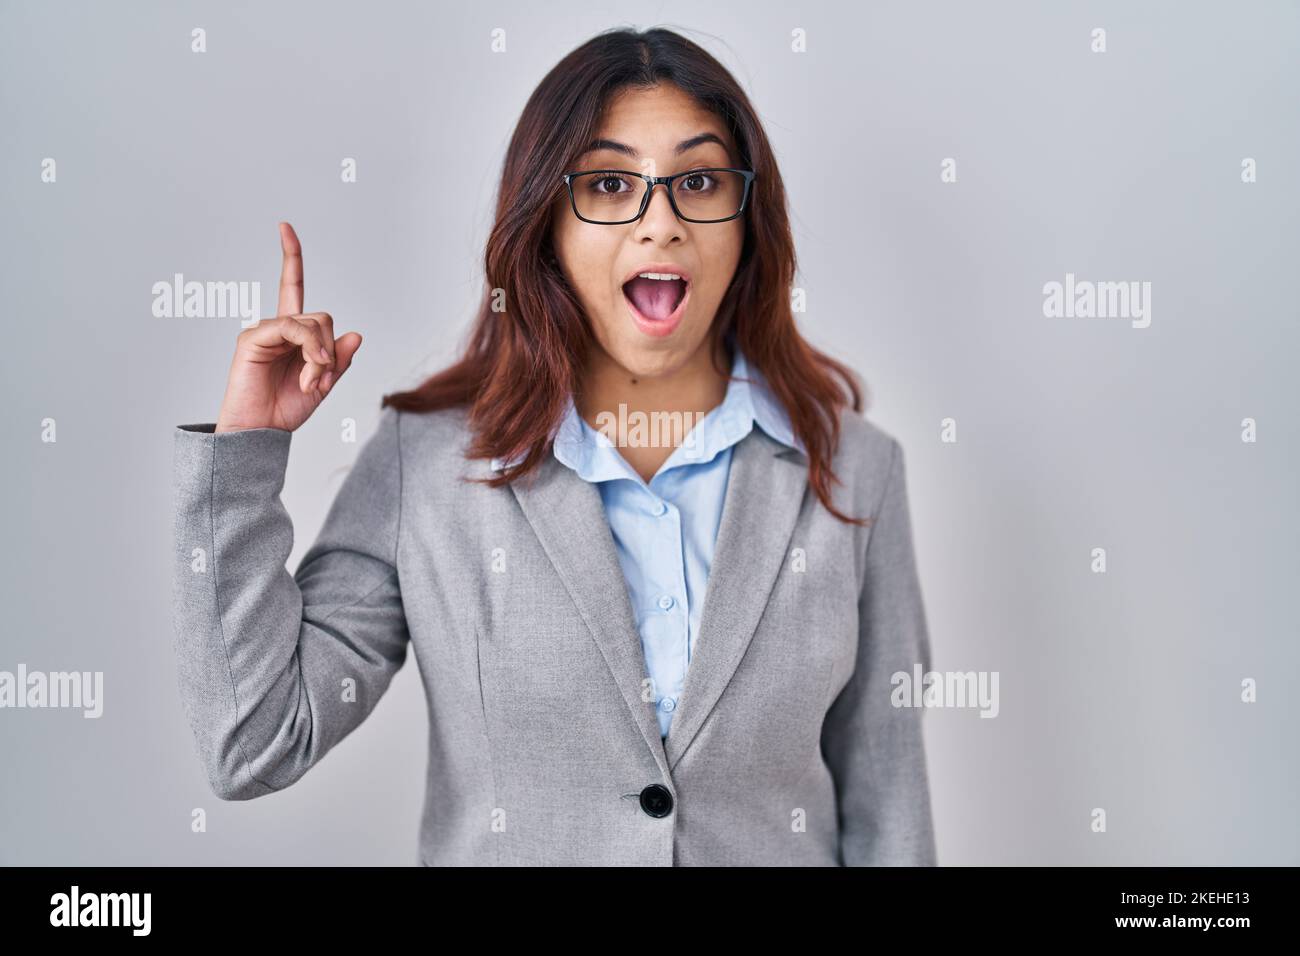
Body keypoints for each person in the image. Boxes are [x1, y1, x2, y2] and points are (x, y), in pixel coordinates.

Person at [171, 26, 937, 866]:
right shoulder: (423, 464)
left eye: (700, 180)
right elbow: (254, 743)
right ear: (547, 229)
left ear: (748, 221)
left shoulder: (858, 469)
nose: (661, 224)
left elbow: (887, 803)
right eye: (610, 184)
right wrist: (244, 453)